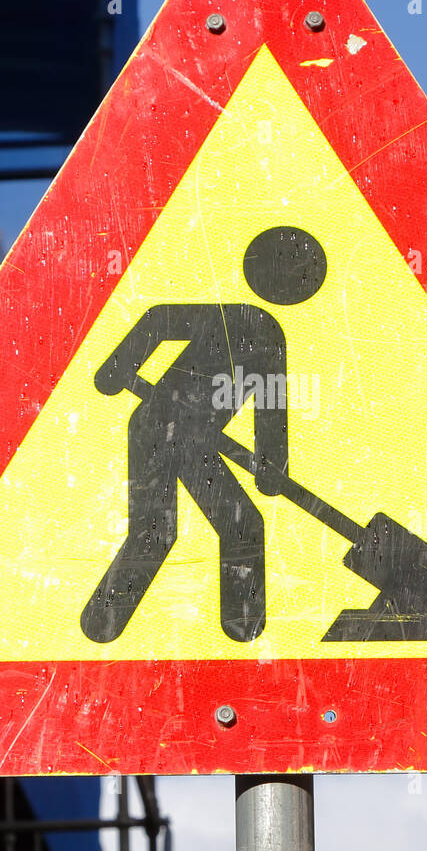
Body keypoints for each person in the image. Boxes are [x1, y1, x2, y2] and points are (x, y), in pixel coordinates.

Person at [80, 226, 326, 643]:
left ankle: (240, 636)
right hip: (160, 427)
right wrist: (117, 366)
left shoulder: (269, 337)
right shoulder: (237, 320)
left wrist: (270, 465)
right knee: (167, 528)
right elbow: (158, 320)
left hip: (195, 438)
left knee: (223, 526)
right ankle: (102, 626)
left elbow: (270, 411)